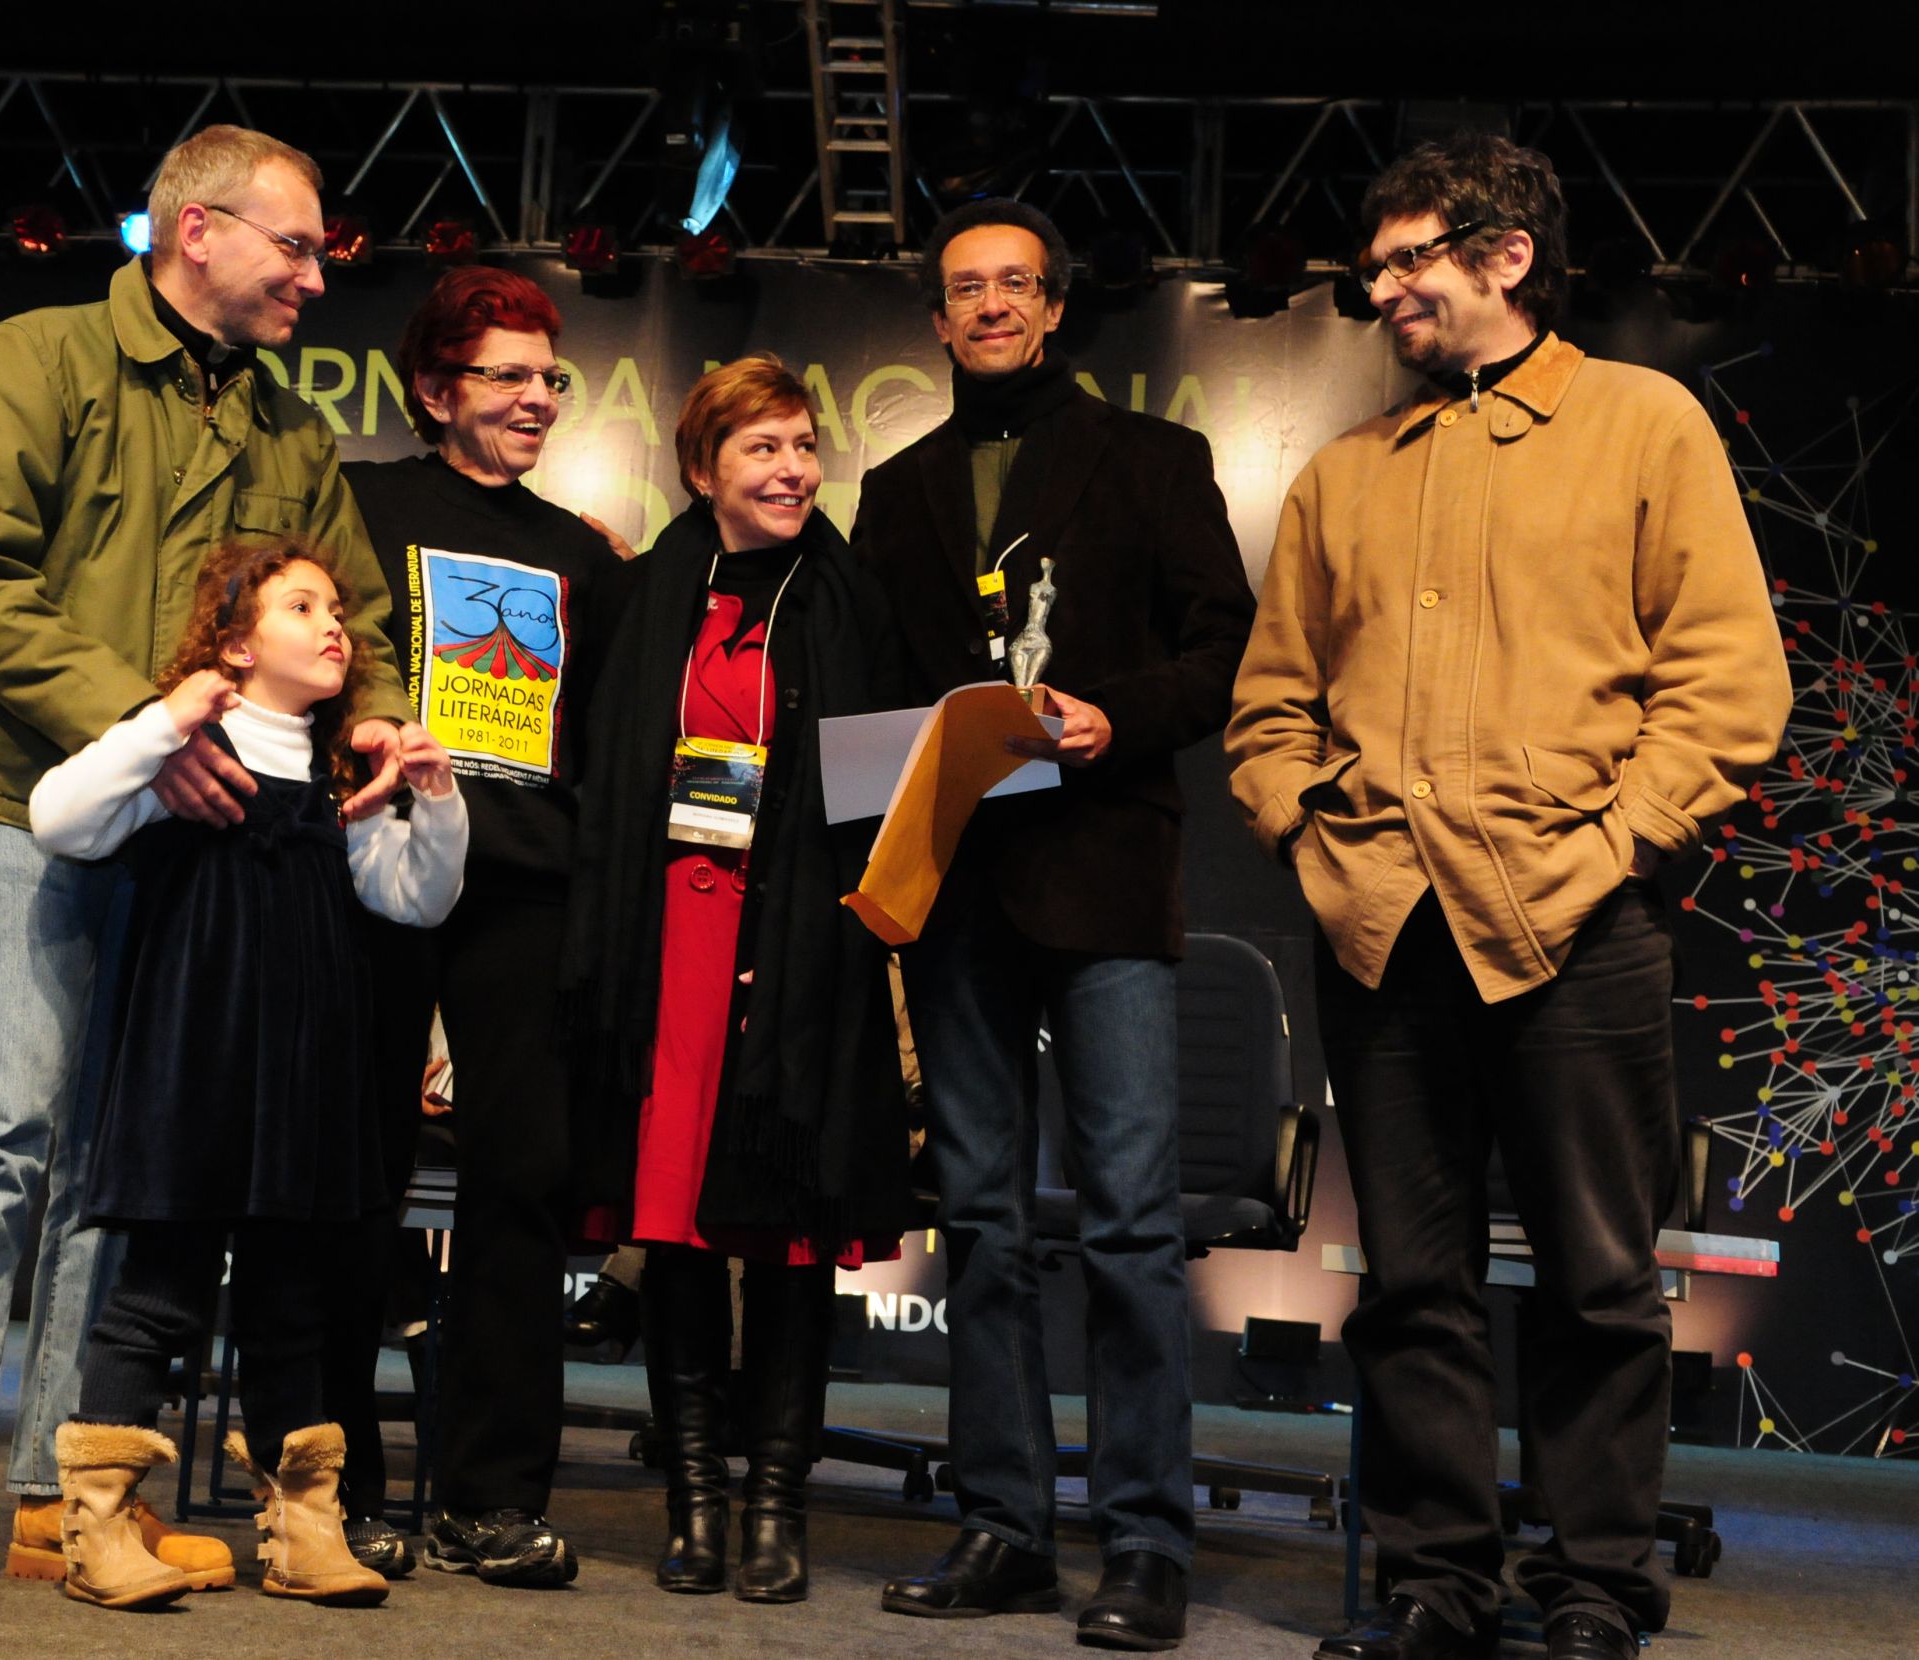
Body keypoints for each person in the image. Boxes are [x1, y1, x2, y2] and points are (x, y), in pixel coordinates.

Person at [1226, 135, 1790, 1660]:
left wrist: (1621, 846)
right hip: (1384, 928)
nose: (1385, 285)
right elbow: (1268, 709)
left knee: (1603, 1282)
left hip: (1578, 926)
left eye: (1414, 257)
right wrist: (1309, 834)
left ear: (1508, 256)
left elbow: (1732, 681)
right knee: (1411, 1285)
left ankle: (1597, 1590)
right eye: (1381, 262)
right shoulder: (1348, 474)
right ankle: (1437, 1584)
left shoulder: (1639, 424)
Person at [0, 123, 413, 1611]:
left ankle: (63, 1491)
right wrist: (143, 724)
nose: (317, 273)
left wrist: (378, 728)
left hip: (208, 856)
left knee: (132, 1173)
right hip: (27, 801)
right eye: (296, 245)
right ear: (198, 233)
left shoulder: (295, 430)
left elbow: (361, 615)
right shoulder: (39, 360)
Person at [855, 199, 1255, 1647]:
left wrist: (1114, 716)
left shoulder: (1155, 461)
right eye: (967, 288)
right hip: (956, 887)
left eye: (1016, 283)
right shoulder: (893, 490)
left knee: (1133, 1223)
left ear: (1056, 307)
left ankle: (1144, 1543)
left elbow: (1226, 650)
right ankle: (1003, 1526)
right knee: (977, 1218)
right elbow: (872, 703)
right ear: (941, 317)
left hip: (1102, 870)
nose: (992, 306)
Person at [25, 537, 466, 1611]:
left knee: (290, 1305)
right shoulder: (184, 752)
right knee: (157, 1293)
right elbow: (60, 818)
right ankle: (98, 1527)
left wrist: (437, 800)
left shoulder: (334, 782)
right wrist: (162, 721)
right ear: (234, 640)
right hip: (192, 1065)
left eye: (337, 611)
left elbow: (418, 900)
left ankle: (304, 1528)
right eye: (300, 606)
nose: (334, 626)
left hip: (302, 1077)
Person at [562, 355, 912, 1605]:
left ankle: (776, 1503)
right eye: (761, 450)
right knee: (679, 1233)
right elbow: (601, 766)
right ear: (703, 471)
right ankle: (694, 1501)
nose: (791, 470)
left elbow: (885, 786)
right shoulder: (651, 591)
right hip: (672, 950)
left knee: (787, 1239)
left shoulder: (847, 594)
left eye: (804, 446)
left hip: (803, 956)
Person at [335, 265, 626, 1585]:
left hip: (530, 886)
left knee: (524, 1181)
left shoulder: (580, 552)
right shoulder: (362, 504)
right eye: (507, 377)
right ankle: (332, 1483)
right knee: (355, 1171)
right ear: (437, 391)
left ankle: (490, 1498)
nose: (536, 400)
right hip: (387, 870)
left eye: (548, 378)